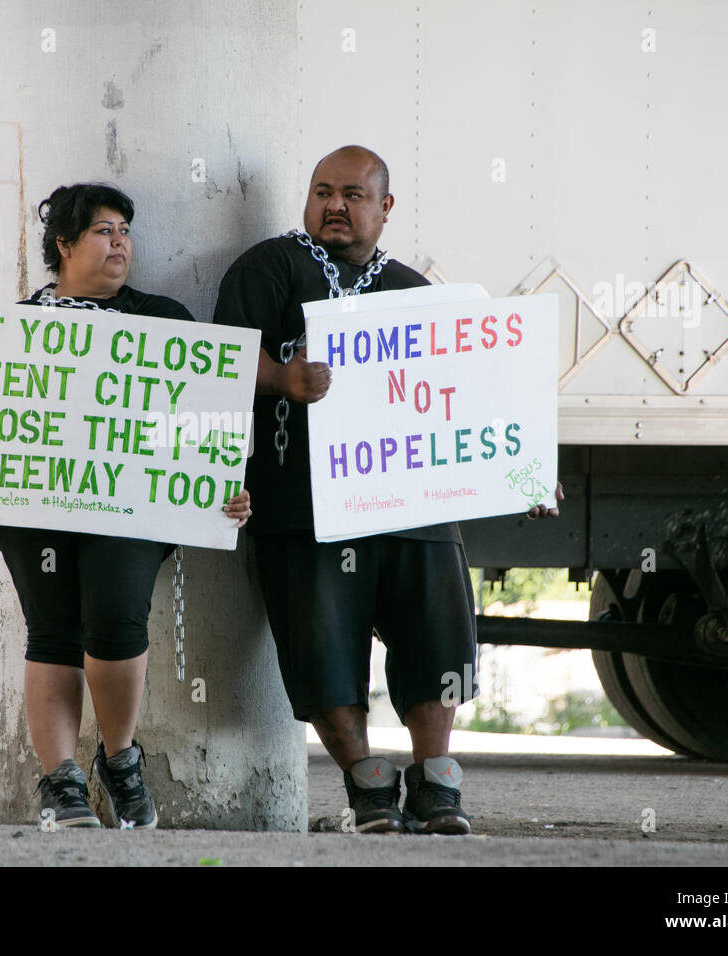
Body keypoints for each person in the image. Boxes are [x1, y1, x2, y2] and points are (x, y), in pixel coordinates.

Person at [213, 146, 561, 835]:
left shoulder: (414, 290)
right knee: (321, 652)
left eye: (351, 193)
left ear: (385, 207)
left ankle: (437, 786)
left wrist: (522, 469)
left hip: (414, 508)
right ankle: (368, 788)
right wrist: (282, 378)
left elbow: (471, 396)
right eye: (321, 191)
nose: (334, 205)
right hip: (302, 507)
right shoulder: (269, 267)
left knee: (439, 636)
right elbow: (218, 356)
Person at [0, 183, 252, 829]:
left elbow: (205, 425)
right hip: (34, 508)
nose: (120, 240)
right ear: (64, 246)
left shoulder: (166, 319)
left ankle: (120, 762)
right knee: (52, 634)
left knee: (118, 622)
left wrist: (225, 483)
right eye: (103, 229)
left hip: (133, 506)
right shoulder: (7, 330)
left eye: (125, 228)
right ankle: (61, 781)